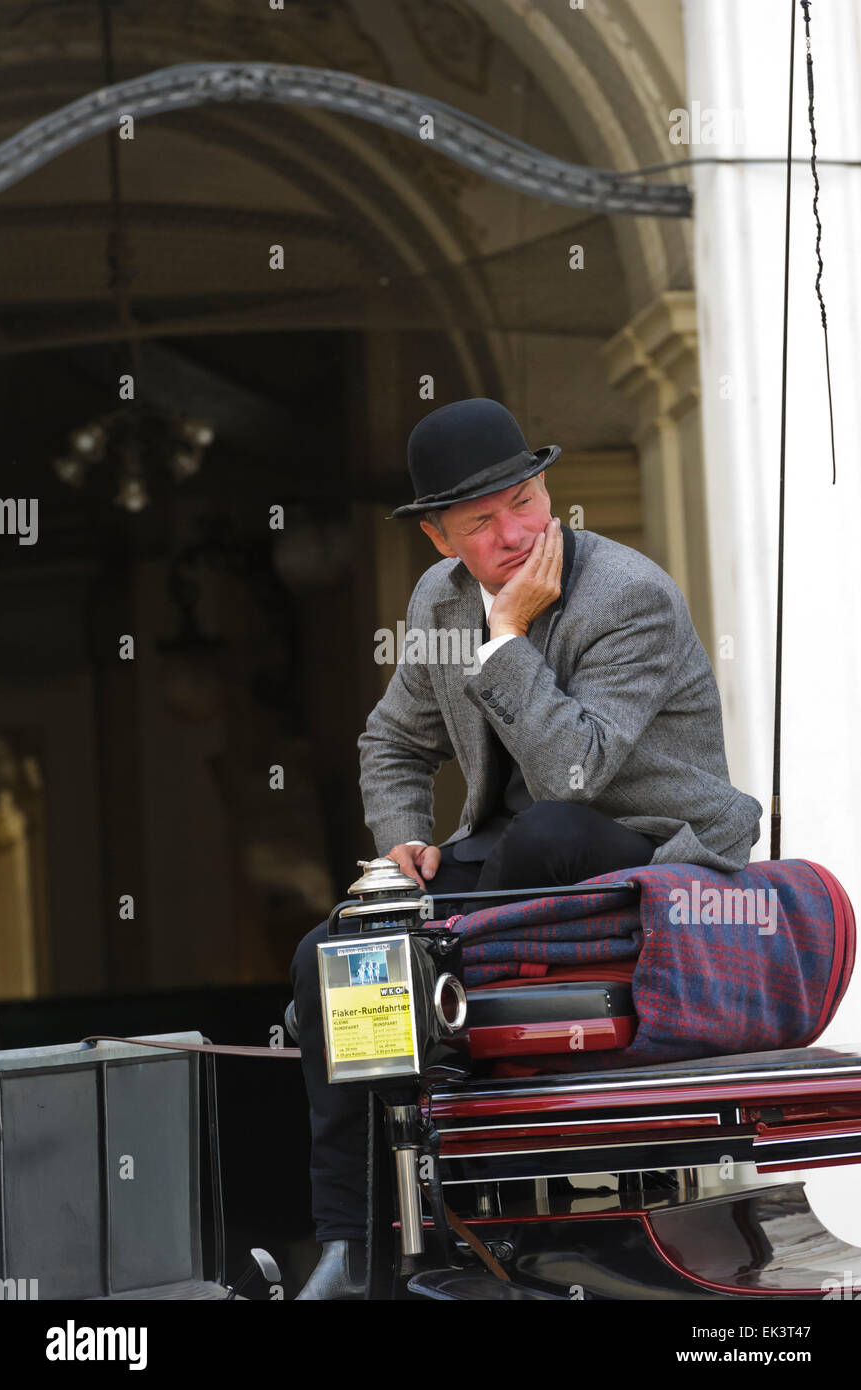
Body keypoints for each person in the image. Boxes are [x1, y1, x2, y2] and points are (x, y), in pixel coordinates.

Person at [289, 397, 763, 1299]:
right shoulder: (437, 598)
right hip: (512, 855)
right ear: (439, 539)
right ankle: (352, 1242)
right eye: (481, 521)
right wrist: (402, 847)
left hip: (649, 846)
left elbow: (575, 776)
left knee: (544, 834)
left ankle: (478, 1162)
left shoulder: (628, 597)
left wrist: (508, 638)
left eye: (526, 502)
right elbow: (391, 742)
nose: (514, 533)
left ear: (547, 490)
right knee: (334, 957)